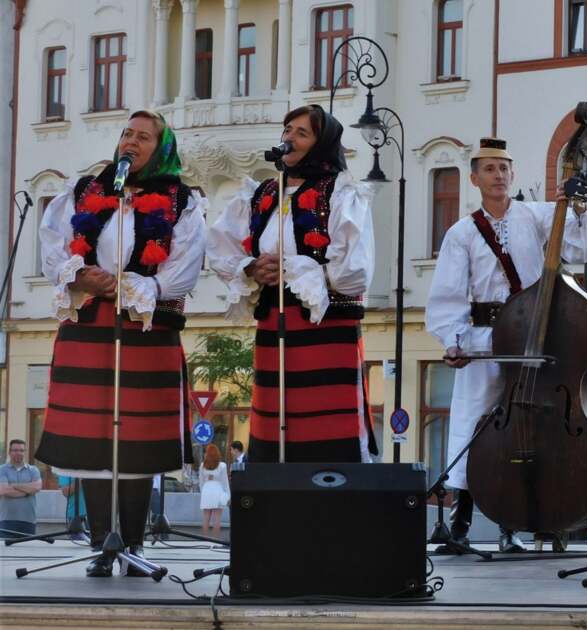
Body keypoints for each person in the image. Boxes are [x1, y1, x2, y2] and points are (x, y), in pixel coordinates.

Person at [34, 110, 204, 576]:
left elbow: (185, 266)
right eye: (127, 133)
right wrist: (80, 273)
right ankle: (99, 545)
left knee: (138, 441)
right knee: (91, 441)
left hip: (146, 327)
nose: (131, 142)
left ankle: (132, 543)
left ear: (161, 147)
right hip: (89, 323)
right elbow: (55, 241)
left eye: (143, 137)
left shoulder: (180, 200)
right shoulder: (87, 190)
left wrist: (130, 287)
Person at [425, 137, 587, 554]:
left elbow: (583, 245)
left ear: (513, 174)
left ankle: (513, 522)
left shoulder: (537, 215)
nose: (499, 175)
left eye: (504, 168)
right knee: (474, 422)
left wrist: (576, 207)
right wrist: (454, 341)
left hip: (532, 334)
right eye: (489, 169)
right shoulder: (462, 232)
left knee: (532, 428)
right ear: (474, 177)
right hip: (486, 338)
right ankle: (461, 520)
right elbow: (449, 292)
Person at [208, 104, 378, 464]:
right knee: (275, 413)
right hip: (275, 322)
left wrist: (300, 269)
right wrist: (251, 267)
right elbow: (220, 245)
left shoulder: (341, 191)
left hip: (325, 326)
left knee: (324, 420)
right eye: (287, 130)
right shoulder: (263, 193)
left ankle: (330, 497)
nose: (290, 137)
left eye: (302, 132)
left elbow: (354, 270)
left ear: (322, 142)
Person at [0, 440, 42, 538]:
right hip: (6, 520)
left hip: (28, 520)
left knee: (27, 552)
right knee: (6, 552)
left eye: (21, 450)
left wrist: (13, 485)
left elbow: (37, 487)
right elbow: (3, 490)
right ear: (9, 452)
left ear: (25, 452)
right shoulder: (2, 470)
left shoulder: (33, 470)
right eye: (15, 450)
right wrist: (28, 491)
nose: (19, 453)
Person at [198, 445, 230, 538]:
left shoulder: (202, 466)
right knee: (217, 518)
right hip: (218, 490)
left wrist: (202, 493)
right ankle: (215, 540)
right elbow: (225, 482)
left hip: (206, 490)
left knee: (205, 517)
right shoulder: (222, 465)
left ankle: (204, 539)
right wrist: (228, 495)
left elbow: (201, 482)